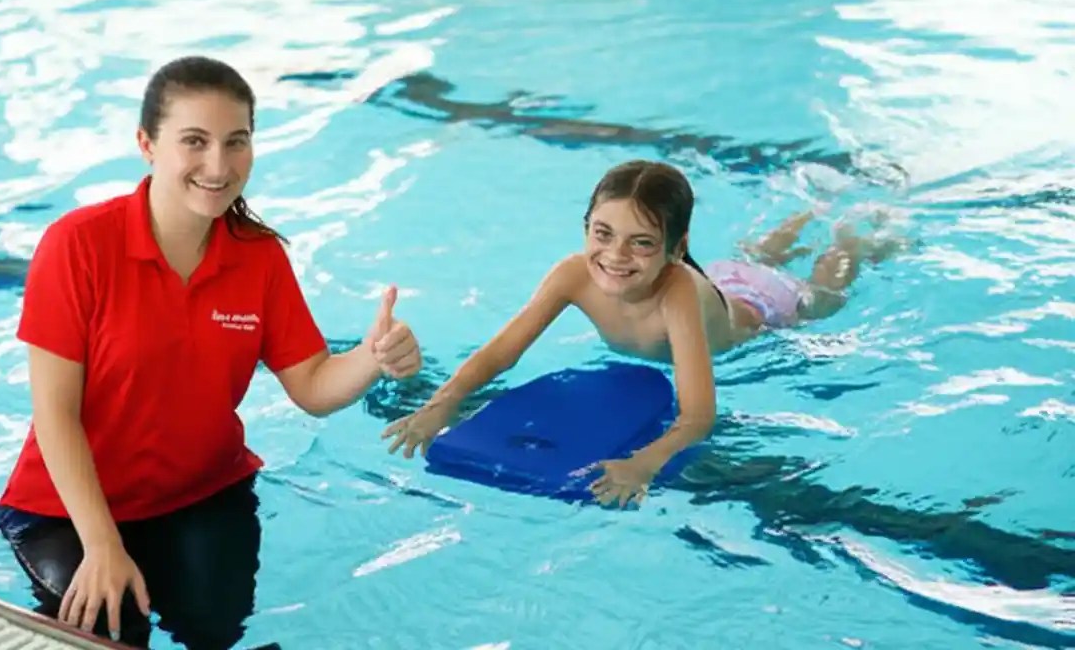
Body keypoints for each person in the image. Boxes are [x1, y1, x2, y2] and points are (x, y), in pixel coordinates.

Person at [0, 55, 423, 649]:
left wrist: (374, 357)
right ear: (147, 144)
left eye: (236, 142)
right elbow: (55, 414)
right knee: (111, 629)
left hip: (201, 494)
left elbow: (313, 386)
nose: (218, 166)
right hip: (64, 509)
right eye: (194, 141)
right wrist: (102, 544)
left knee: (215, 631)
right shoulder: (78, 246)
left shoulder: (258, 256)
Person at [382, 159, 899, 508]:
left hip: (769, 309)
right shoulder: (572, 275)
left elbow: (698, 414)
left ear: (676, 249)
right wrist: (442, 403)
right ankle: (814, 208)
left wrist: (644, 464)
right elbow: (499, 355)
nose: (615, 256)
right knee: (753, 256)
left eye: (641, 243)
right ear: (586, 227)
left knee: (824, 290)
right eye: (602, 234)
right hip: (725, 278)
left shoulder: (677, 293)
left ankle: (857, 232)